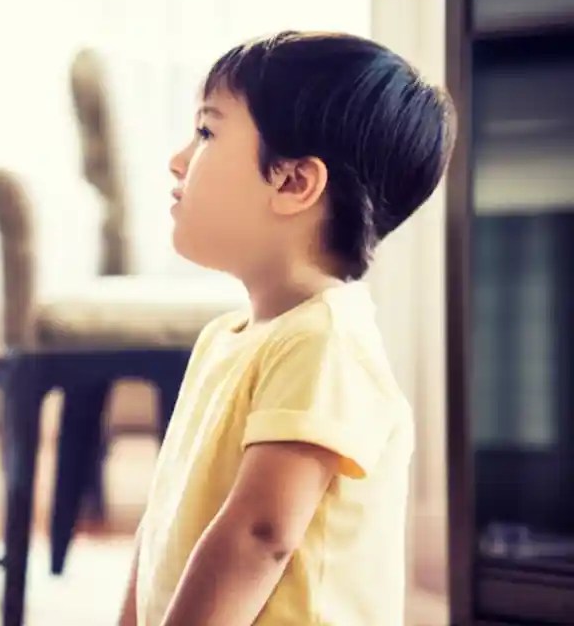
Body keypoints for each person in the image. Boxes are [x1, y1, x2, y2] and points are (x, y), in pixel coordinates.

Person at [117, 31, 456, 625]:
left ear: (294, 183)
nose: (178, 159)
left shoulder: (325, 343)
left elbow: (260, 533)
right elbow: (163, 520)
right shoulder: (226, 339)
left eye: (206, 132)